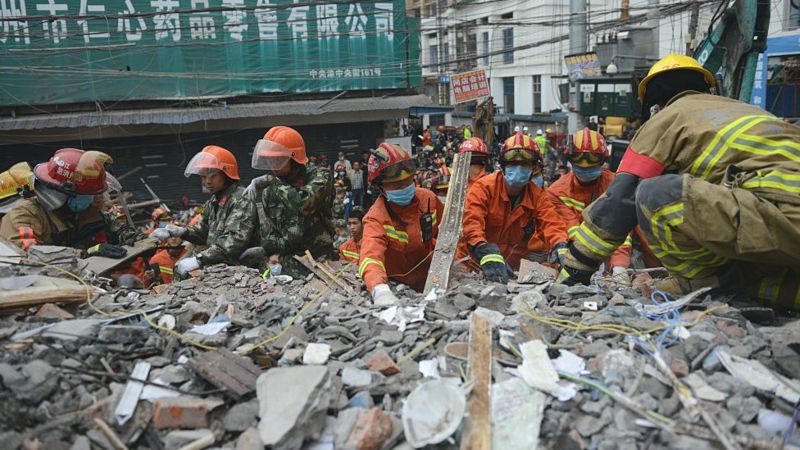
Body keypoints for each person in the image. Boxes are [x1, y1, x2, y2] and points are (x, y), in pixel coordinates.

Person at [558, 54, 800, 310]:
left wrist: (577, 267)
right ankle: (774, 289)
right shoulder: (746, 111)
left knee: (653, 194)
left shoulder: (668, 118)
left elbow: (622, 199)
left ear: (653, 105)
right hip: (779, 219)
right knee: (758, 270)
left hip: (773, 210)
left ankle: (706, 284)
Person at [460, 133, 568, 282]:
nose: (518, 169)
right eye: (513, 164)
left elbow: (552, 223)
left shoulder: (537, 196)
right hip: (472, 264)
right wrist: (483, 249)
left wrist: (560, 245)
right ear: (503, 166)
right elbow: (471, 223)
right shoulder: (483, 188)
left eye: (524, 164)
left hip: (510, 268)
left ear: (533, 167)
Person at [0, 148, 142, 254]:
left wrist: (139, 239)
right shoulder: (23, 216)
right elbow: (32, 255)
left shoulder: (85, 211)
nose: (91, 200)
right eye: (85, 195)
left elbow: (120, 229)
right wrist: (86, 253)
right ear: (58, 194)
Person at [358, 143, 444, 304]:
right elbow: (370, 257)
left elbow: (451, 232)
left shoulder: (428, 199)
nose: (405, 187)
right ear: (380, 187)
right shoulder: (376, 218)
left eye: (408, 181)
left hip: (433, 279)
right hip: (400, 288)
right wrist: (380, 290)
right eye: (397, 185)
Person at [154, 145, 257, 276]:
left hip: (241, 271)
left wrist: (199, 259)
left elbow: (233, 241)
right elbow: (203, 232)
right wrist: (181, 232)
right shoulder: (213, 201)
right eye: (203, 176)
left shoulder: (241, 200)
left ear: (226, 174)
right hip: (219, 267)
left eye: (213, 176)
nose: (207, 181)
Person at [248, 126, 334, 277]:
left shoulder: (320, 176)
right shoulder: (270, 190)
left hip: (321, 262)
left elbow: (302, 204)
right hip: (287, 265)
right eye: (270, 159)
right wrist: (266, 249)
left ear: (294, 158)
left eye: (278, 159)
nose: (272, 165)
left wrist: (272, 181)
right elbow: (271, 231)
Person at [546, 128, 632, 278]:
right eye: (579, 159)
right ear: (571, 160)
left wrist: (620, 266)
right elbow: (573, 232)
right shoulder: (557, 191)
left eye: (592, 160)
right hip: (577, 251)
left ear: (602, 161)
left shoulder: (616, 185)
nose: (585, 165)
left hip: (612, 252)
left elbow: (622, 230)